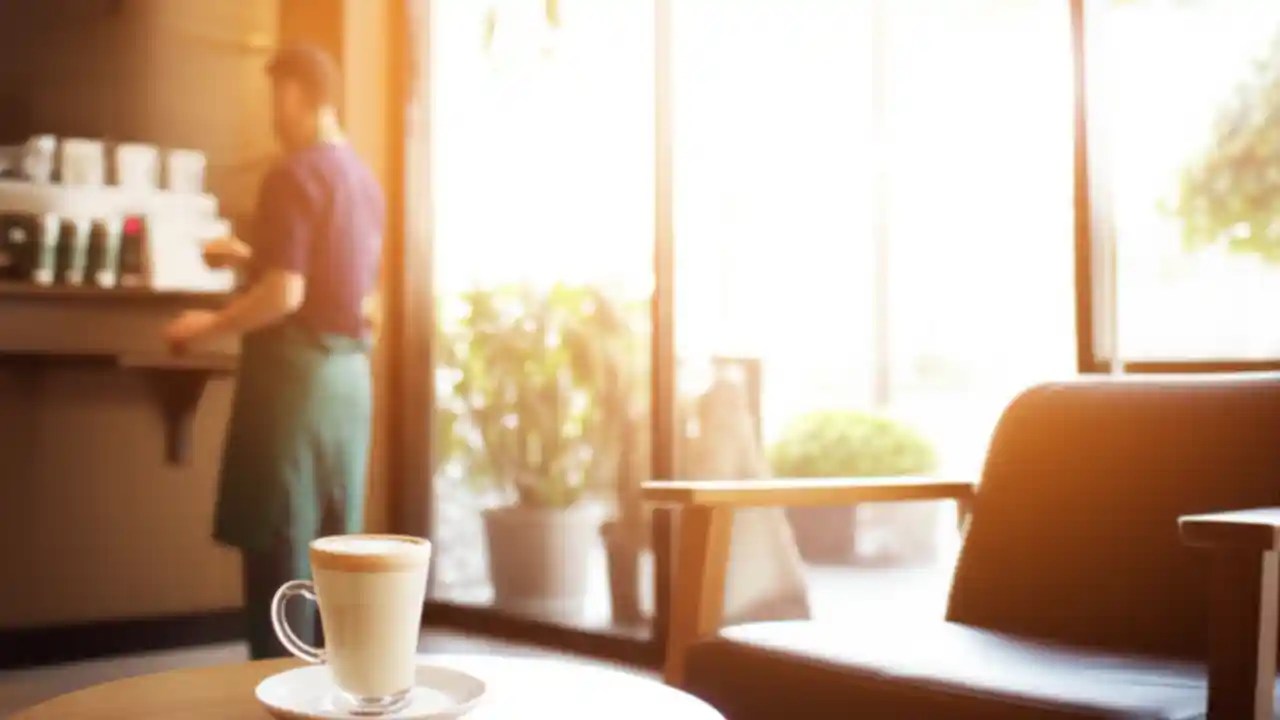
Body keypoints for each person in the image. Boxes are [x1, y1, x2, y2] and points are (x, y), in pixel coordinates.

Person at [163, 44, 384, 659]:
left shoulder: (294, 174)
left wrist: (206, 323)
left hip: (294, 384)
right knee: (337, 548)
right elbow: (350, 289)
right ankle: (343, 684)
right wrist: (246, 255)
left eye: (275, 97)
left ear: (297, 94)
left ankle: (280, 689)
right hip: (348, 385)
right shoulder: (364, 180)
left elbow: (288, 291)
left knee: (281, 545)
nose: (272, 114)